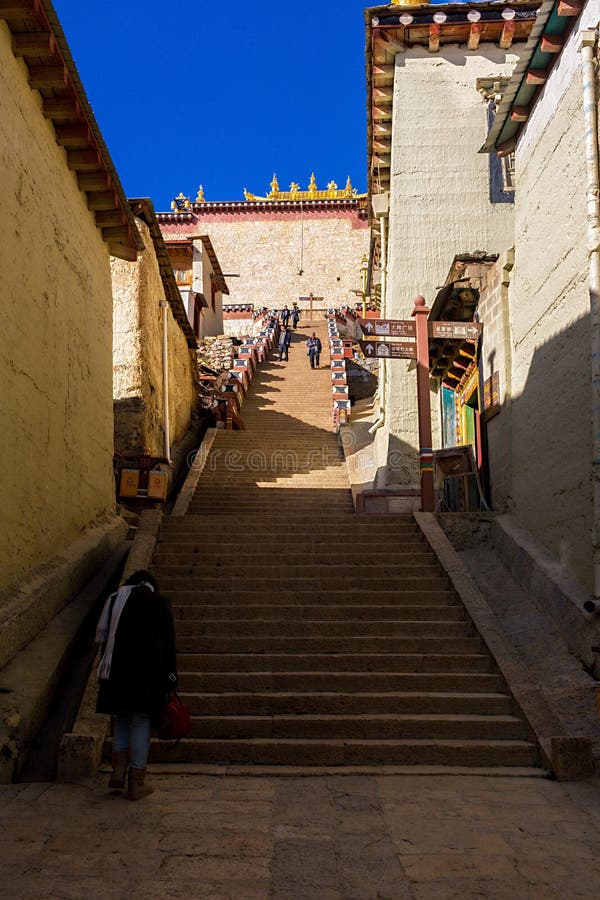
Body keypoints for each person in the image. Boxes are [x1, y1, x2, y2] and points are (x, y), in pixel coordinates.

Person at [95, 569, 177, 801]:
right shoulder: (159, 603)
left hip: (116, 672)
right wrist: (171, 677)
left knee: (121, 717)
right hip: (146, 675)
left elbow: (103, 641)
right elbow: (168, 644)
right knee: (141, 721)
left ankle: (118, 772)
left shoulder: (114, 601)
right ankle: (136, 782)